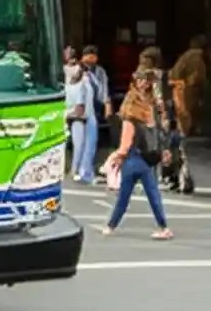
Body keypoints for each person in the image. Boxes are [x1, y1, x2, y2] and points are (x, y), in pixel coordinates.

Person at [102, 67, 174, 240]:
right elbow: (162, 126)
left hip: (132, 158)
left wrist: (118, 157)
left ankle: (111, 226)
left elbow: (126, 142)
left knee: (124, 197)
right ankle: (164, 227)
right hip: (147, 158)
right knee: (152, 193)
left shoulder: (130, 115)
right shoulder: (152, 110)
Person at [78, 45, 111, 176]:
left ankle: (89, 167)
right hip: (79, 107)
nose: (91, 59)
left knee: (93, 138)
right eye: (89, 56)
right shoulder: (77, 69)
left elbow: (104, 89)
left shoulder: (100, 71)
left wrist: (107, 105)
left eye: (94, 56)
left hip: (95, 107)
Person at [170, 35, 207, 137]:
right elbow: (197, 73)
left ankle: (185, 130)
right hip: (185, 85)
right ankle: (185, 131)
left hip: (179, 83)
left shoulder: (187, 55)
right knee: (187, 108)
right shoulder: (196, 55)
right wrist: (196, 85)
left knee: (183, 109)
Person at [65, 59, 92, 183]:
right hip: (74, 117)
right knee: (78, 145)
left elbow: (80, 107)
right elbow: (79, 108)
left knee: (78, 145)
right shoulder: (73, 85)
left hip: (75, 118)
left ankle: (74, 169)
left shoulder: (82, 84)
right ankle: (73, 169)